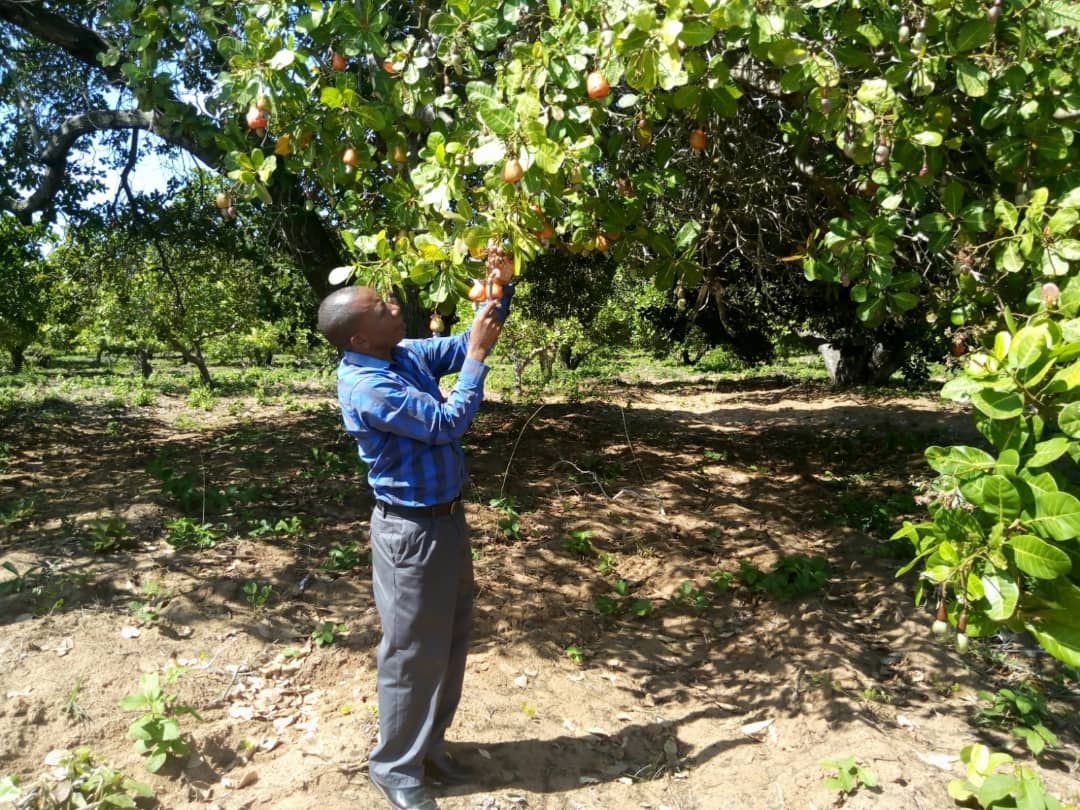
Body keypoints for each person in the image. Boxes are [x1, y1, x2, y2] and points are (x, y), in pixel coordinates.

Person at [317, 273, 511, 810]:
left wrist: (498, 285)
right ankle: (393, 767)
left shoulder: (401, 354)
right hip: (409, 532)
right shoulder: (368, 385)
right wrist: (475, 360)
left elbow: (471, 335)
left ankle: (429, 748)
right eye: (379, 307)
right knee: (410, 653)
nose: (393, 305)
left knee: (450, 639)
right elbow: (448, 422)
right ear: (357, 339)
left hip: (445, 522)